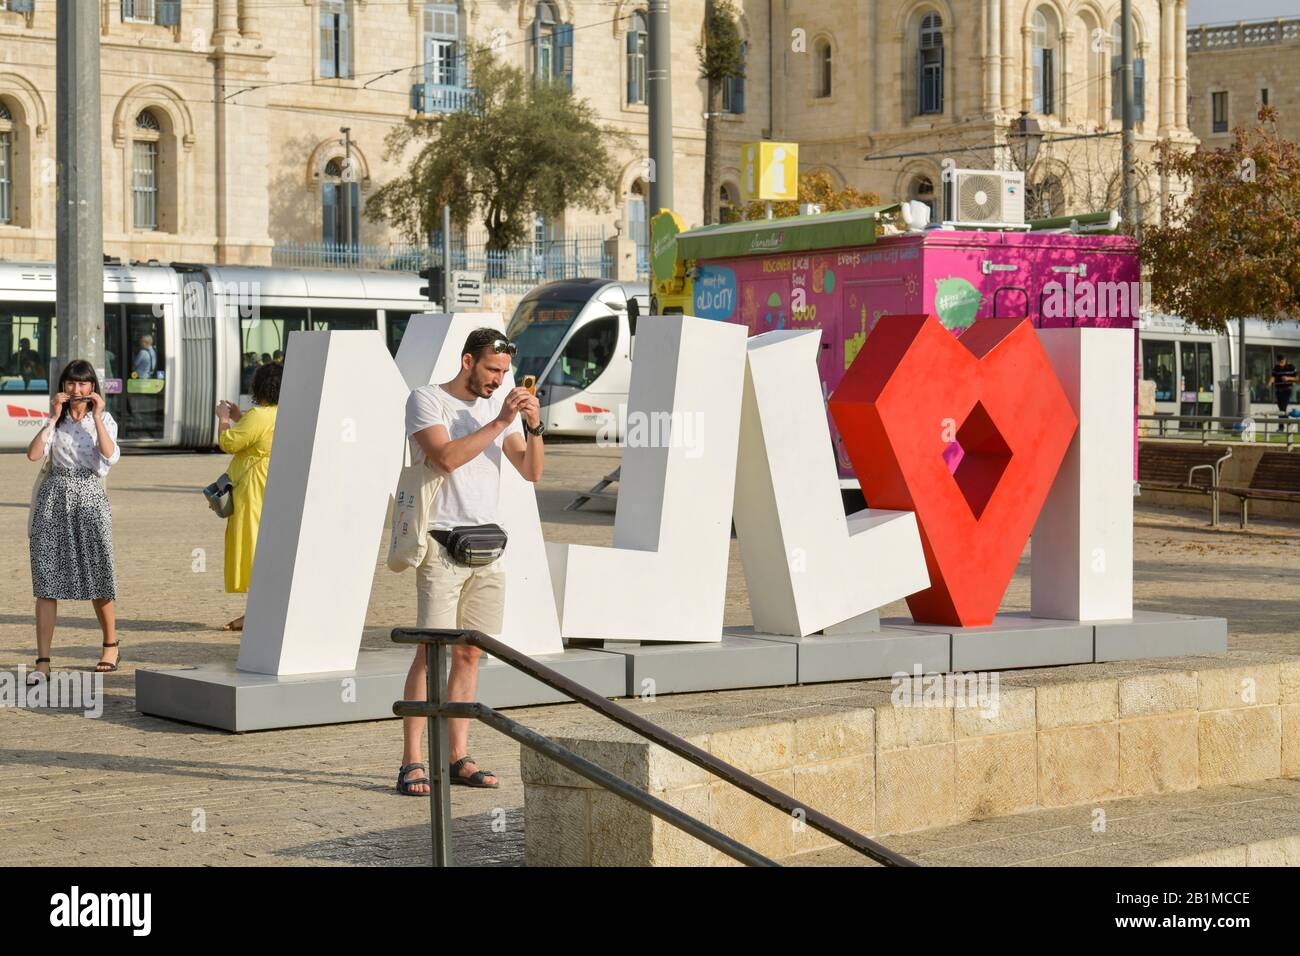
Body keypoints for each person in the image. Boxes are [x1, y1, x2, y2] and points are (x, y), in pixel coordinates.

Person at [396, 328, 544, 795]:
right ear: (467, 361)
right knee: (431, 651)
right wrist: (500, 422)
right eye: (491, 370)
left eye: (504, 372)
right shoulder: (427, 400)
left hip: (485, 545)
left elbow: (532, 470)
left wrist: (534, 426)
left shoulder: (498, 407)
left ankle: (458, 756)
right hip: (441, 545)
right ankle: (412, 761)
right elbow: (444, 458)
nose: (499, 380)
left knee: (471, 653)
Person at [25, 359, 122, 685]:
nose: (76, 390)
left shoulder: (104, 419)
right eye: (70, 383)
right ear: (63, 386)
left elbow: (109, 455)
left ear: (93, 388)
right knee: (46, 580)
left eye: (83, 384)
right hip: (53, 501)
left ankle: (110, 645)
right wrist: (53, 417)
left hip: (90, 499)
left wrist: (95, 416)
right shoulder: (57, 421)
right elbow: (34, 454)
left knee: (99, 574)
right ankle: (43, 661)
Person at [215, 363, 281, 632]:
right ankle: (260, 611)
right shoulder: (281, 413)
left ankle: (255, 613)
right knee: (266, 544)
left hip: (253, 487)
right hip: (271, 481)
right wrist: (241, 418)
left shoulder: (260, 415)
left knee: (251, 544)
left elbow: (229, 443)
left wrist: (223, 418)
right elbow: (258, 436)